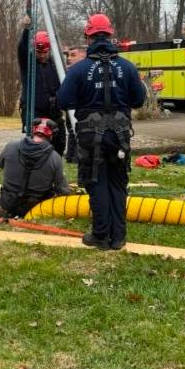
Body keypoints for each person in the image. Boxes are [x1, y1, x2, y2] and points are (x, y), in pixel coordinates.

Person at [57, 14, 146, 250]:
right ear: (110, 35)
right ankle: (118, 237)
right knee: (117, 183)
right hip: (119, 136)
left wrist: (86, 97)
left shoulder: (78, 70)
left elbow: (63, 101)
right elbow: (138, 100)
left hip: (90, 136)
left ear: (88, 37)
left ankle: (100, 235)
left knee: (96, 181)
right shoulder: (126, 68)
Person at [0, 117, 71, 219]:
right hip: (36, 209)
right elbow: (63, 191)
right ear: (51, 136)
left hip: (6, 204)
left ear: (33, 131)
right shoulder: (55, 158)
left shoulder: (11, 146)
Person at [18, 15, 65, 156]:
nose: (42, 55)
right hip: (36, 114)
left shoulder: (54, 64)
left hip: (54, 114)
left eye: (45, 52)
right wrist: (26, 30)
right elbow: (22, 49)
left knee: (59, 144)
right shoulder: (28, 64)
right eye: (39, 52)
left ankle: (56, 168)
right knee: (38, 148)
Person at [62, 45, 87, 163]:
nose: (69, 58)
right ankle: (71, 156)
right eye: (68, 55)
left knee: (79, 130)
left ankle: (77, 156)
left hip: (82, 108)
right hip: (70, 106)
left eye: (73, 55)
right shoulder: (69, 71)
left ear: (83, 55)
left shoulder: (87, 71)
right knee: (71, 130)